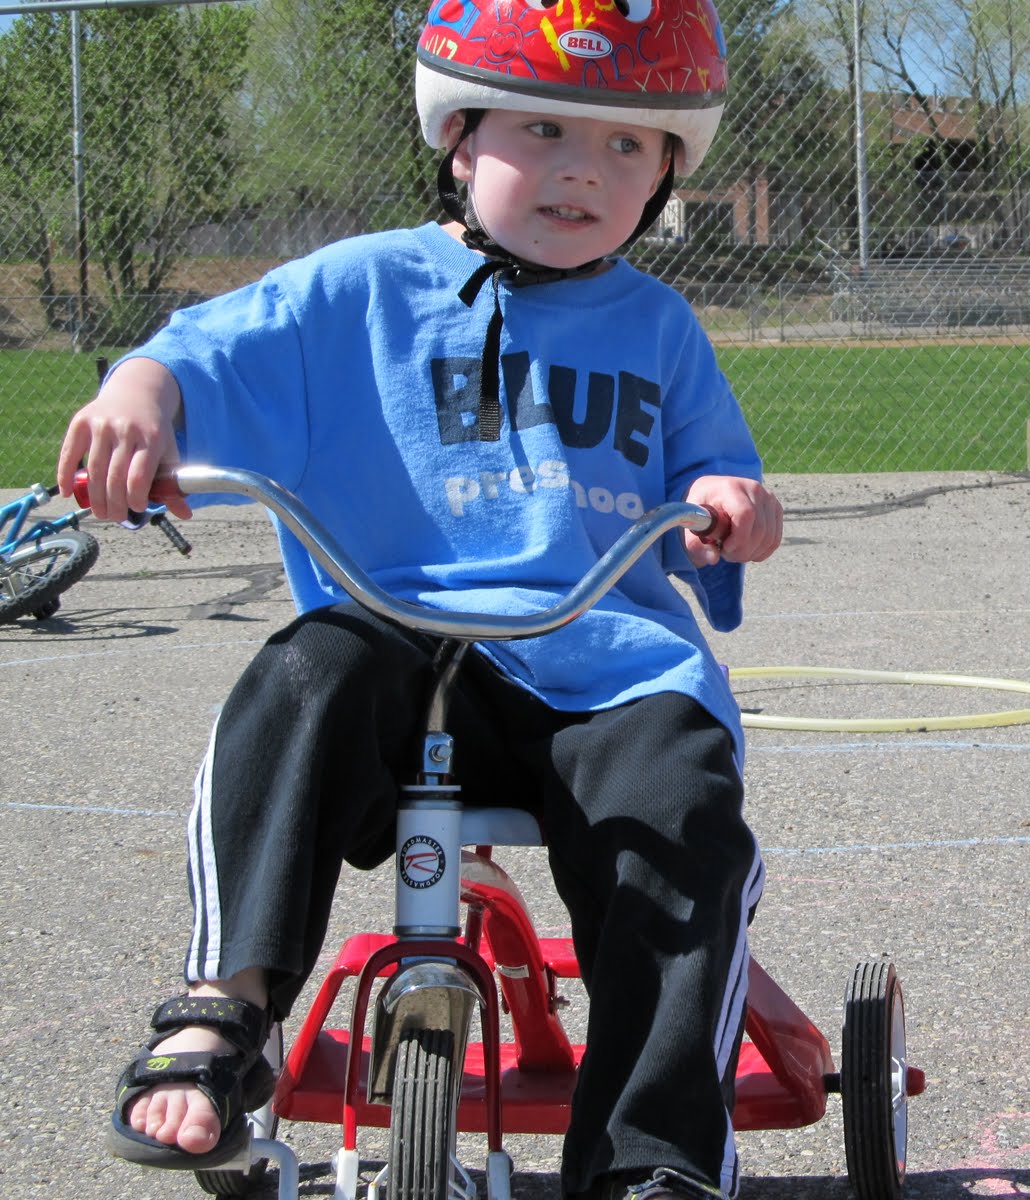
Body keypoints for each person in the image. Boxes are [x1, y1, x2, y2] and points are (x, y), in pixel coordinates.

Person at [61, 2, 782, 1198]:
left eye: (624, 145)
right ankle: (220, 1012)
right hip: (398, 646)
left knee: (680, 797)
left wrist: (731, 506)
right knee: (302, 674)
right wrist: (139, 397)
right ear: (458, 136)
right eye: (543, 128)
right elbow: (198, 352)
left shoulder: (659, 326)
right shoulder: (362, 287)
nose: (579, 170)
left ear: (665, 174)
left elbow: (717, 479)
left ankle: (653, 1157)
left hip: (600, 663)